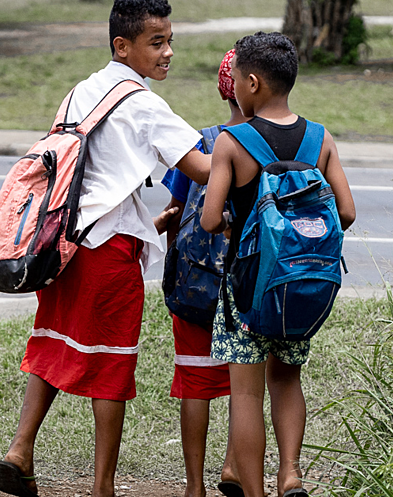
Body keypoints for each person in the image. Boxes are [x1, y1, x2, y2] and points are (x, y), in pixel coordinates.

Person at [0, 1, 211, 496]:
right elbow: (201, 168)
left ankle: (20, 450)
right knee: (113, 361)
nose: (168, 52)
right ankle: (103, 487)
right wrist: (253, 150)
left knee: (53, 339)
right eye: (157, 42)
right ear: (122, 46)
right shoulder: (143, 104)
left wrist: (148, 222)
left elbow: (92, 176)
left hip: (63, 244)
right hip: (109, 253)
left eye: (170, 41)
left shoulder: (81, 91)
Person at [200, 32, 357, 497]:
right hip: (299, 284)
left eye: (237, 82)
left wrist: (231, 222)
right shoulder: (319, 138)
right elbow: (347, 213)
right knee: (287, 380)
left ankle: (255, 493)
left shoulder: (232, 142)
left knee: (247, 394)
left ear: (252, 83)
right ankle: (290, 474)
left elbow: (209, 218)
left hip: (248, 290)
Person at [159, 48, 245, 497]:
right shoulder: (270, 143)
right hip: (248, 285)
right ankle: (233, 465)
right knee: (245, 381)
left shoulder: (201, 143)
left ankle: (194, 486)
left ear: (222, 90)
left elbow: (176, 212)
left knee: (194, 381)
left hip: (196, 283)